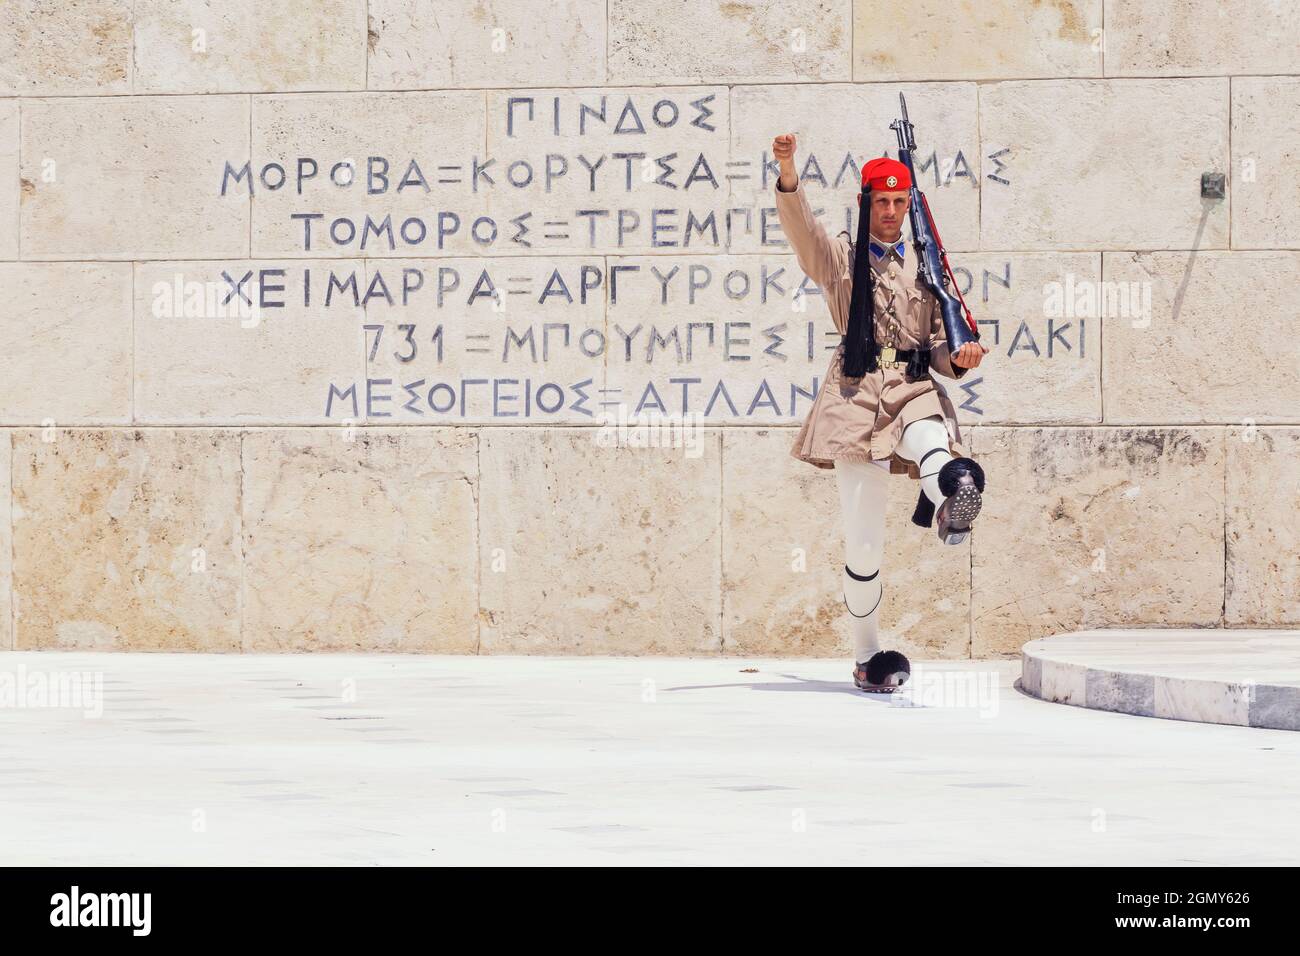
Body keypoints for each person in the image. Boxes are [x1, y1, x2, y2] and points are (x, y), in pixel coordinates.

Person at [772, 133, 990, 693]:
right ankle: (868, 655)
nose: (890, 212)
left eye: (899, 202)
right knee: (864, 545)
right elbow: (804, 235)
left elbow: (940, 349)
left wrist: (960, 357)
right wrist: (789, 172)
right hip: (856, 395)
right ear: (867, 203)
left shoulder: (927, 269)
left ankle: (952, 496)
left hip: (913, 386)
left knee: (940, 450)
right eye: (881, 202)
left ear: (908, 205)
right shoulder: (841, 259)